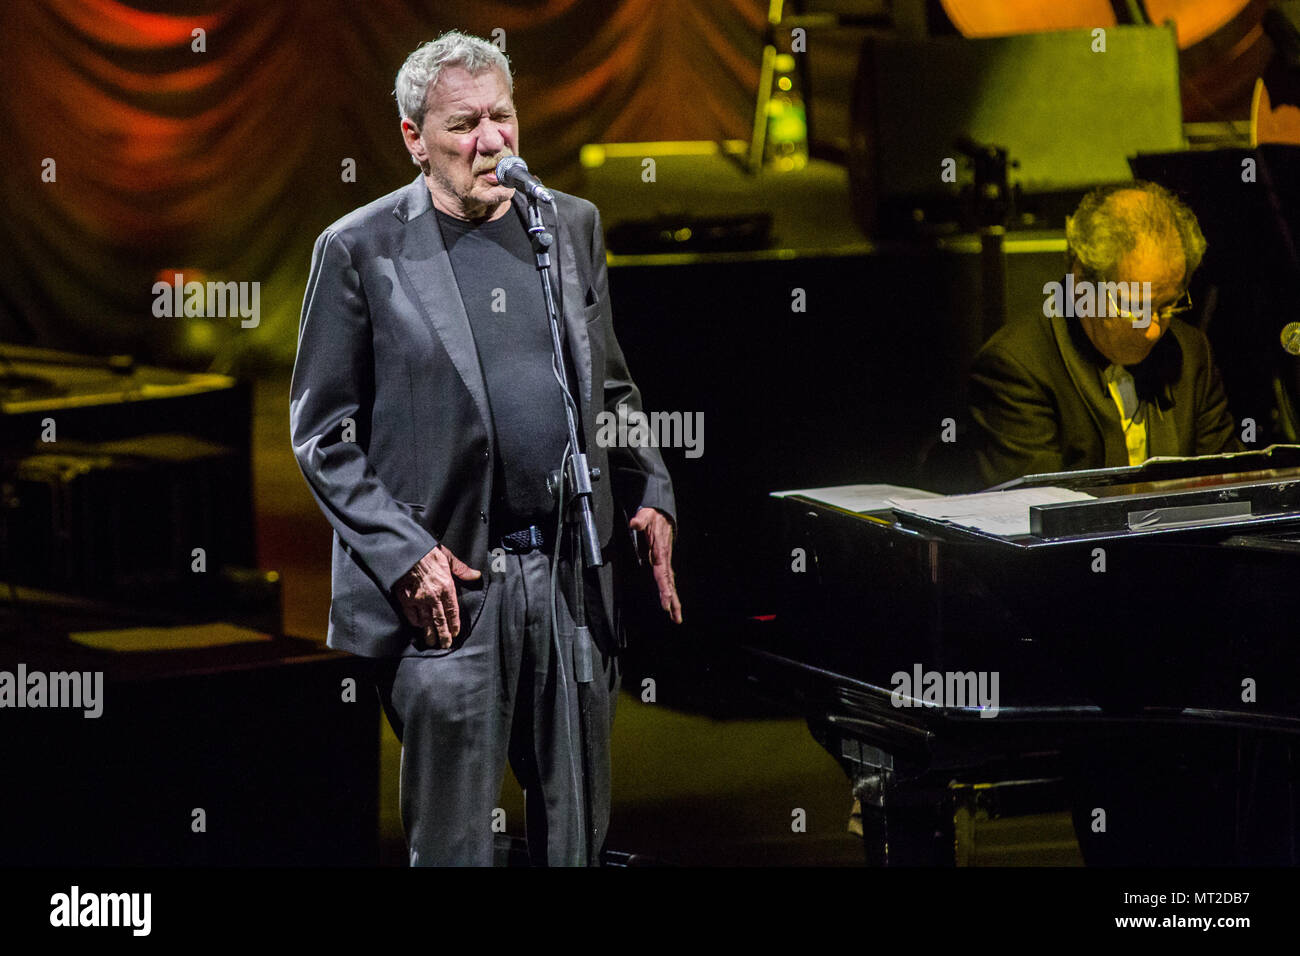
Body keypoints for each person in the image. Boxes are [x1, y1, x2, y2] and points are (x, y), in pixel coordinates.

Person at [289, 30, 681, 867]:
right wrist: (403, 554)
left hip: (571, 575)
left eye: (501, 116)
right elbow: (322, 433)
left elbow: (611, 388)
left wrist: (650, 487)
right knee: (457, 845)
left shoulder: (568, 226)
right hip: (453, 591)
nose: (491, 140)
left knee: (576, 840)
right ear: (414, 138)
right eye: (464, 125)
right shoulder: (360, 248)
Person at [968, 180, 1241, 488]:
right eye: (1134, 307)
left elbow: (1225, 490)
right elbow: (1039, 510)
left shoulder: (1192, 352)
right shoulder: (1016, 368)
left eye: (1167, 305)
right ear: (1081, 284)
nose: (1153, 330)